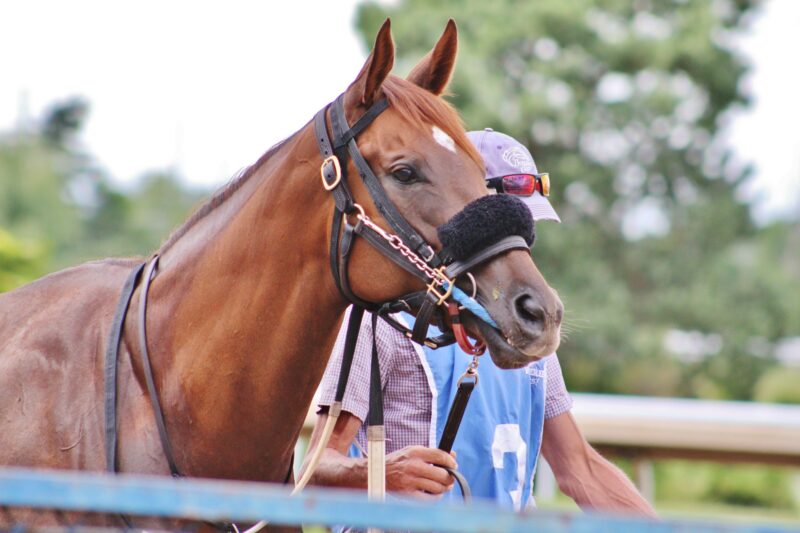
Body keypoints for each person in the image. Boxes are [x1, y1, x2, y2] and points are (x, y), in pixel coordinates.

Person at [303, 129, 656, 517]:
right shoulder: (383, 322)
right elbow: (315, 469)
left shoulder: (525, 332)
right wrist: (382, 474)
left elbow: (581, 471)